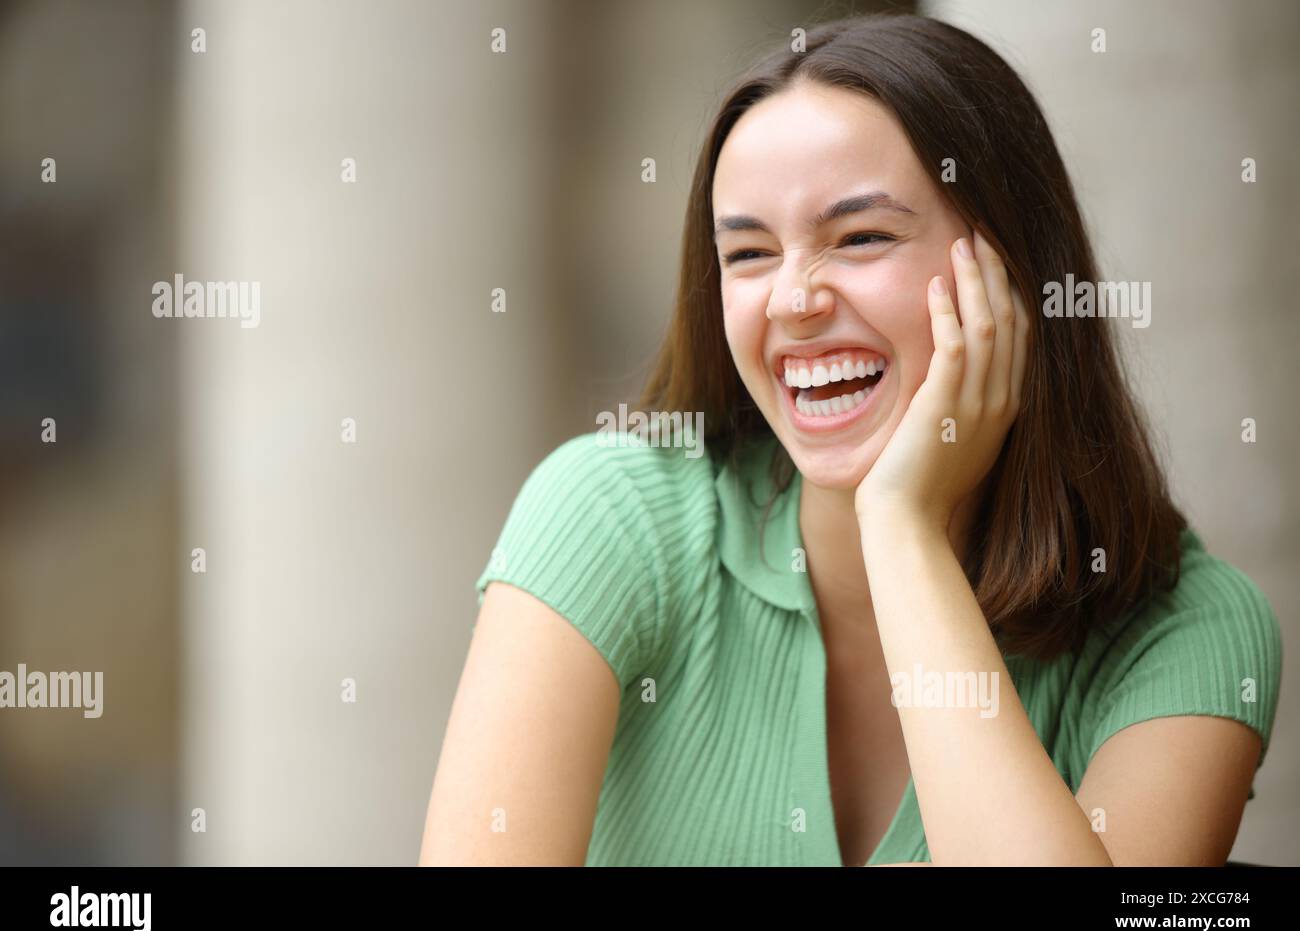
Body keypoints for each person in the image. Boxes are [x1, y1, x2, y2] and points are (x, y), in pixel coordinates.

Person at [418, 12, 1282, 866]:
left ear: (1013, 272)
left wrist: (902, 528)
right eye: (748, 254)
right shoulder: (609, 519)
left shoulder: (1186, 633)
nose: (794, 300)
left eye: (862, 238)